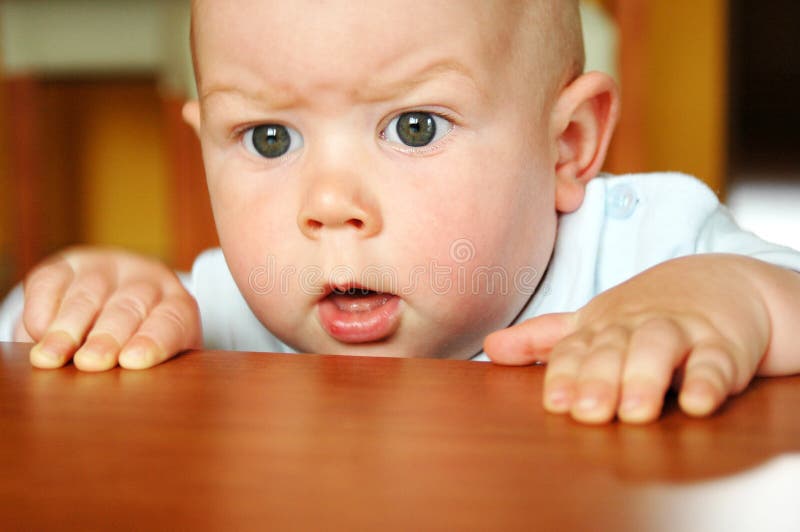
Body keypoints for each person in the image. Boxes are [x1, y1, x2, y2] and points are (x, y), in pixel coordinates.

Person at [3, 0, 800, 426]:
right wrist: (100, 302)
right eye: (269, 138)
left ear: (566, 146)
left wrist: (722, 300)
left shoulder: (644, 249)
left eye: (414, 127)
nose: (328, 206)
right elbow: (20, 343)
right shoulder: (221, 312)